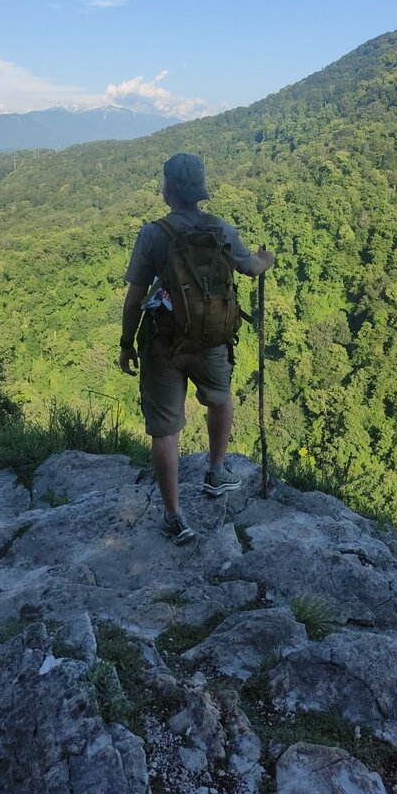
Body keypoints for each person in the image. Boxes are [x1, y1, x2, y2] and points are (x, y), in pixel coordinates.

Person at [119, 153, 275, 544]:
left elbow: (135, 298)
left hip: (163, 344)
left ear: (168, 189)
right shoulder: (220, 228)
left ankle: (173, 516)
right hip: (211, 339)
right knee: (219, 400)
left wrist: (126, 344)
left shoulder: (153, 234)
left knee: (165, 431)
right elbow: (250, 268)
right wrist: (265, 259)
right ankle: (216, 471)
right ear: (200, 191)